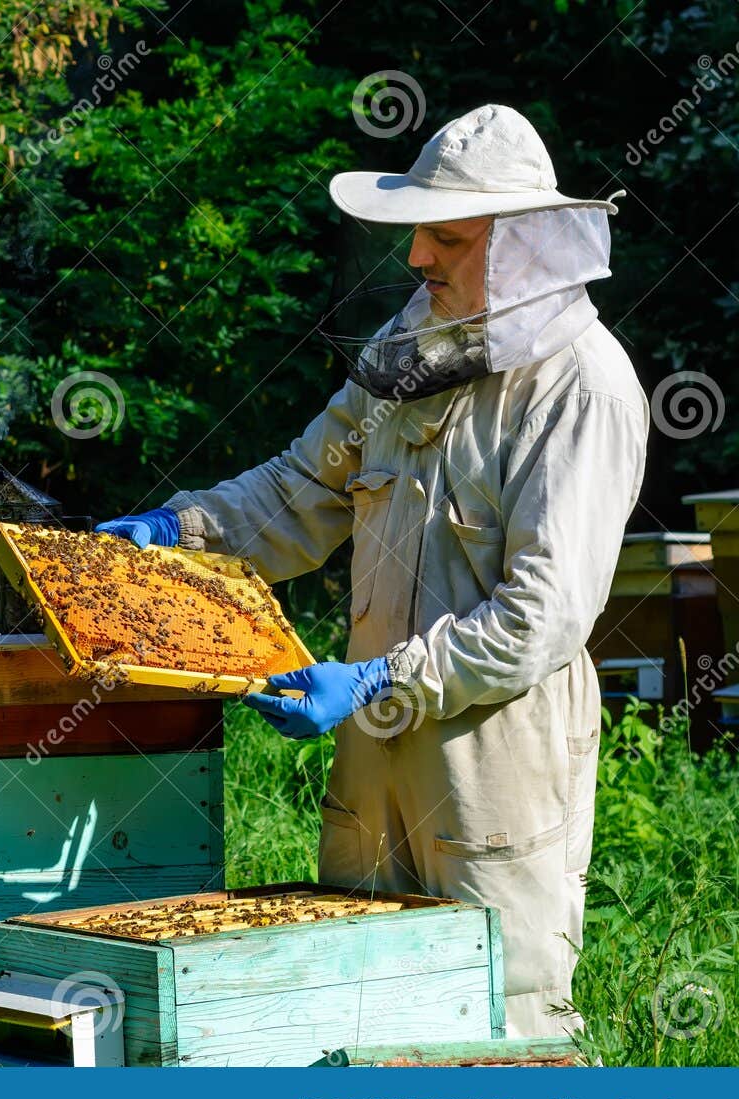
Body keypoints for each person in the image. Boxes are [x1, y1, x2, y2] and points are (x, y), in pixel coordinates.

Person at [97, 104, 649, 1038]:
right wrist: (177, 529)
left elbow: (541, 618)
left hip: (494, 769)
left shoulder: (582, 387)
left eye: (446, 235)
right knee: (352, 1021)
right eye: (415, 233)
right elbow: (300, 491)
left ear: (520, 245)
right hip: (373, 759)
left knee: (494, 1027)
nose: (418, 258)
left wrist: (378, 678)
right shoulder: (409, 357)